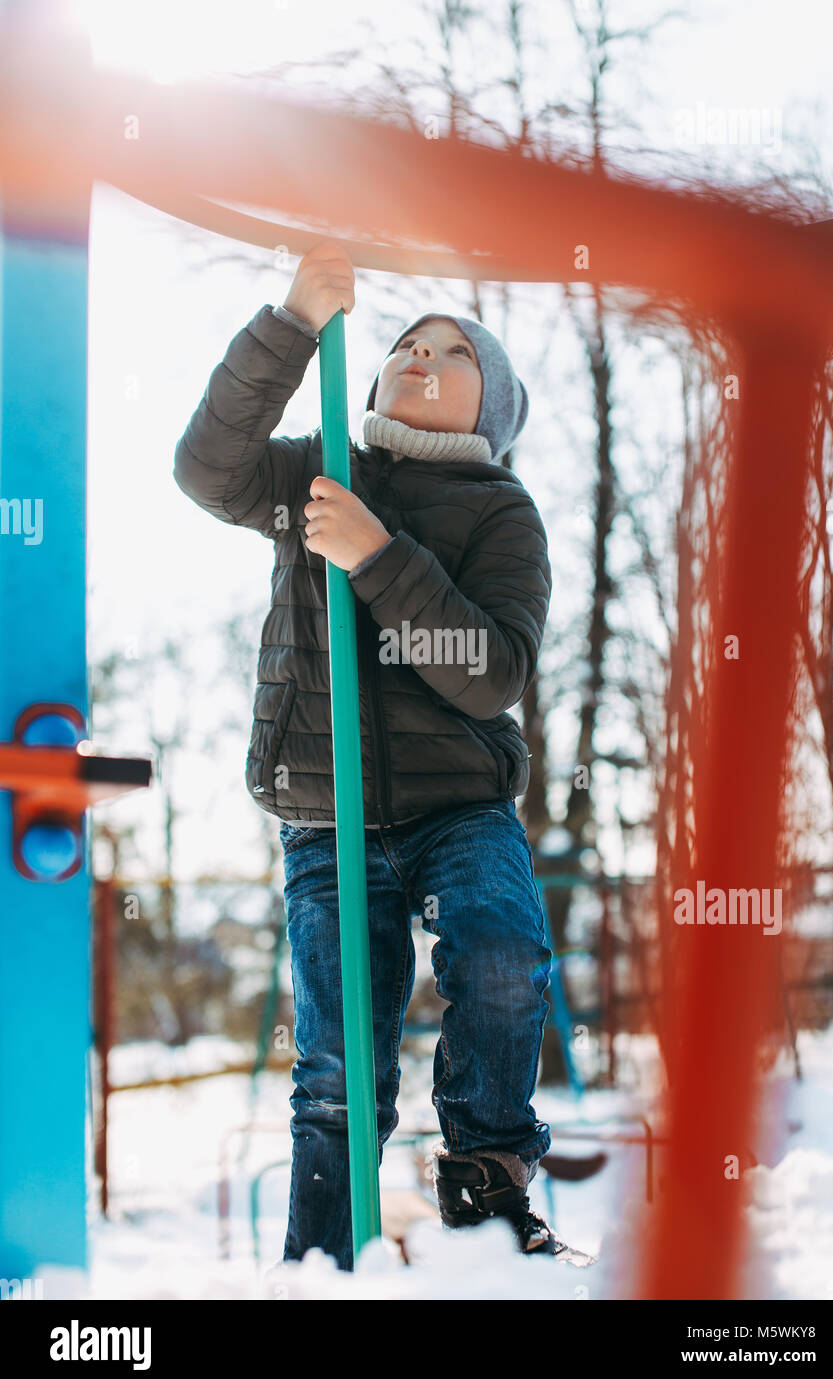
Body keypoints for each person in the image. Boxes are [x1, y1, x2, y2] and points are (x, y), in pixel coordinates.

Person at [174, 239, 565, 1273]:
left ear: (492, 407)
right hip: (324, 811)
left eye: (452, 351)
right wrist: (294, 321)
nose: (417, 356)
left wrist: (379, 562)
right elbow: (205, 469)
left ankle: (484, 1175)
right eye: (403, 342)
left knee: (498, 956)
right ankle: (321, 1257)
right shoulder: (315, 473)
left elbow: (487, 671)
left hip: (457, 809)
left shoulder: (500, 513)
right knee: (337, 1054)